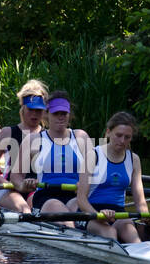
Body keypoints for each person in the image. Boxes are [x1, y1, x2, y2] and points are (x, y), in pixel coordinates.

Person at [12, 91, 93, 224]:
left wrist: (86, 185)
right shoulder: (33, 140)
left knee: (76, 211)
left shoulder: (81, 137)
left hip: (76, 195)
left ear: (69, 115)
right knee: (66, 218)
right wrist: (23, 186)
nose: (60, 117)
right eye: (56, 113)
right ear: (46, 114)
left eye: (64, 114)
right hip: (46, 196)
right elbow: (16, 177)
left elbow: (94, 172)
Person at [77, 112, 150, 243]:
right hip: (90, 213)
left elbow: (140, 202)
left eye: (127, 137)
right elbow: (81, 200)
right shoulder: (93, 156)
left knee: (133, 237)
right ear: (109, 132)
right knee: (109, 233)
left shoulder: (134, 160)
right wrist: (98, 216)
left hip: (118, 214)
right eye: (119, 135)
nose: (122, 141)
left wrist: (147, 215)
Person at [0, 79, 49, 213]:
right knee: (24, 210)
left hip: (36, 189)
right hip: (8, 188)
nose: (35, 114)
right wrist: (6, 184)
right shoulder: (7, 133)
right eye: (31, 109)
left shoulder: (48, 136)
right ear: (23, 108)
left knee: (34, 209)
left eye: (39, 110)